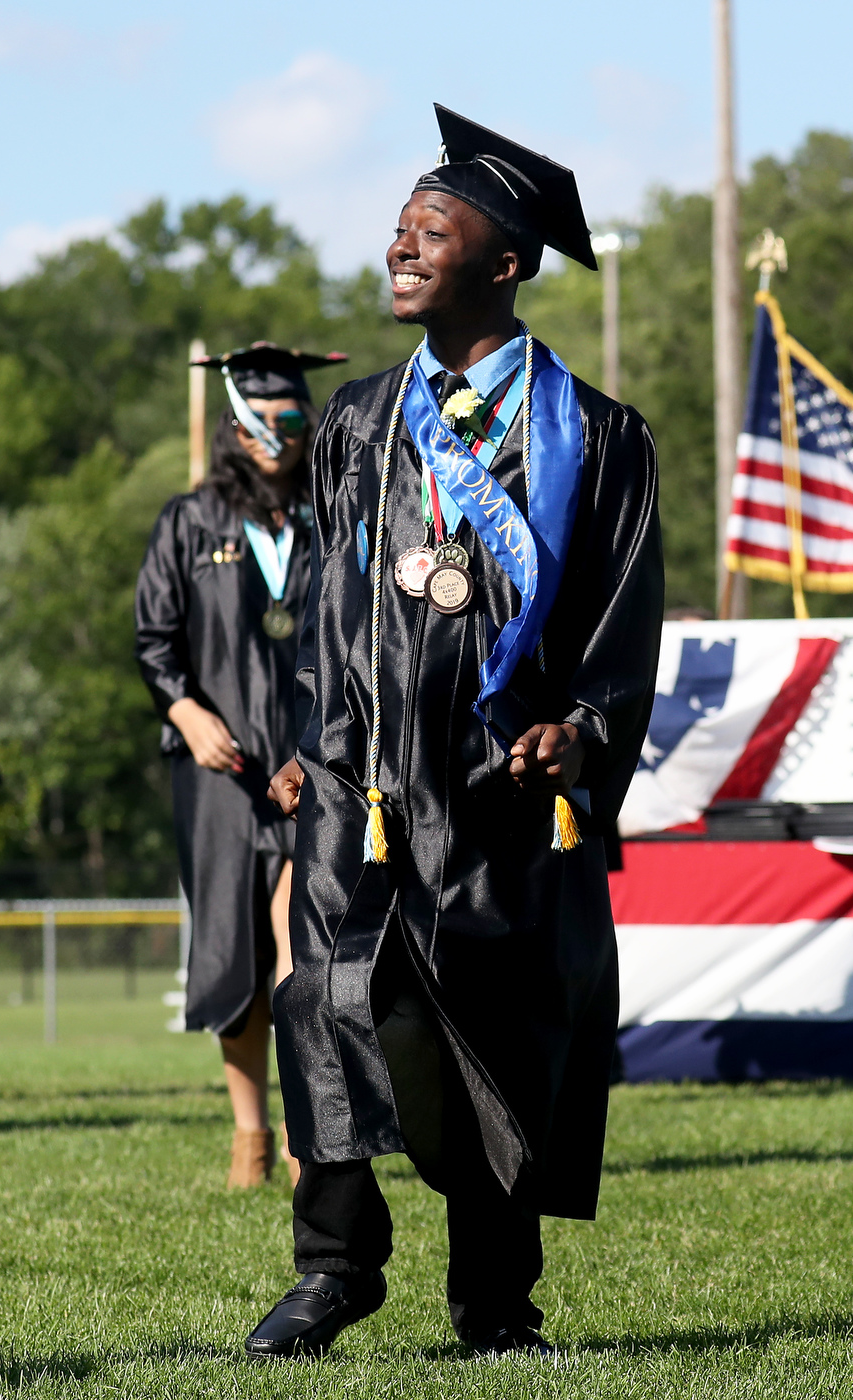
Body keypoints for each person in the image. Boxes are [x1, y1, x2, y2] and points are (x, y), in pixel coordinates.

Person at [245, 105, 664, 1358]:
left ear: (504, 260)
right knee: (322, 994)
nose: (400, 245)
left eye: (432, 228)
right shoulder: (361, 425)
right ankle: (336, 1263)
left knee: (496, 1025)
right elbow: (326, 603)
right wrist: (306, 738)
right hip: (363, 778)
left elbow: (623, 609)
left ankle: (494, 1300)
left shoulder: (594, 435)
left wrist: (585, 727)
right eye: (397, 228)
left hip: (499, 789)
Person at [135, 343, 346, 1189]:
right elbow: (154, 639)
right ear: (232, 427)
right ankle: (248, 1136)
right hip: (216, 770)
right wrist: (185, 713)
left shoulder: (332, 518)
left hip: (310, 764)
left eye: (291, 419)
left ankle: (306, 1138)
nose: (276, 435)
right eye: (260, 421)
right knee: (234, 963)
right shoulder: (189, 522)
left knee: (303, 950)